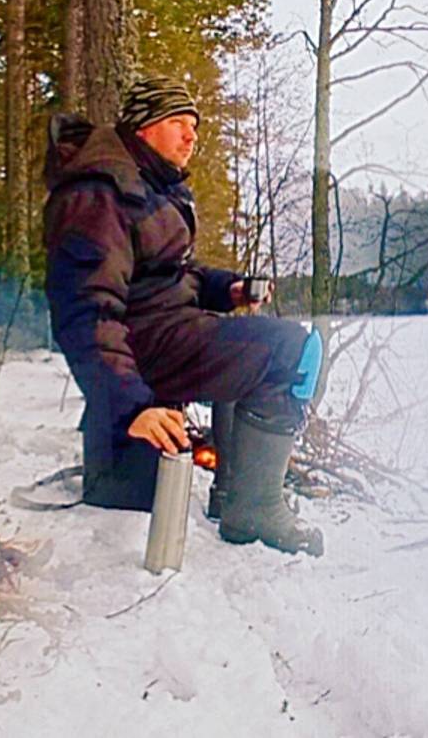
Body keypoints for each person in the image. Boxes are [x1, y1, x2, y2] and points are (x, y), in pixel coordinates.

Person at [43, 76, 324, 556]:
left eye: (194, 125)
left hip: (162, 332)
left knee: (253, 346)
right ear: (144, 126)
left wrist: (227, 289)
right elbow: (88, 309)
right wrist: (131, 407)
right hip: (144, 345)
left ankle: (232, 495)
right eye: (178, 122)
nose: (192, 135)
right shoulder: (100, 191)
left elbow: (167, 273)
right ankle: (254, 510)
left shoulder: (149, 184)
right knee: (293, 352)